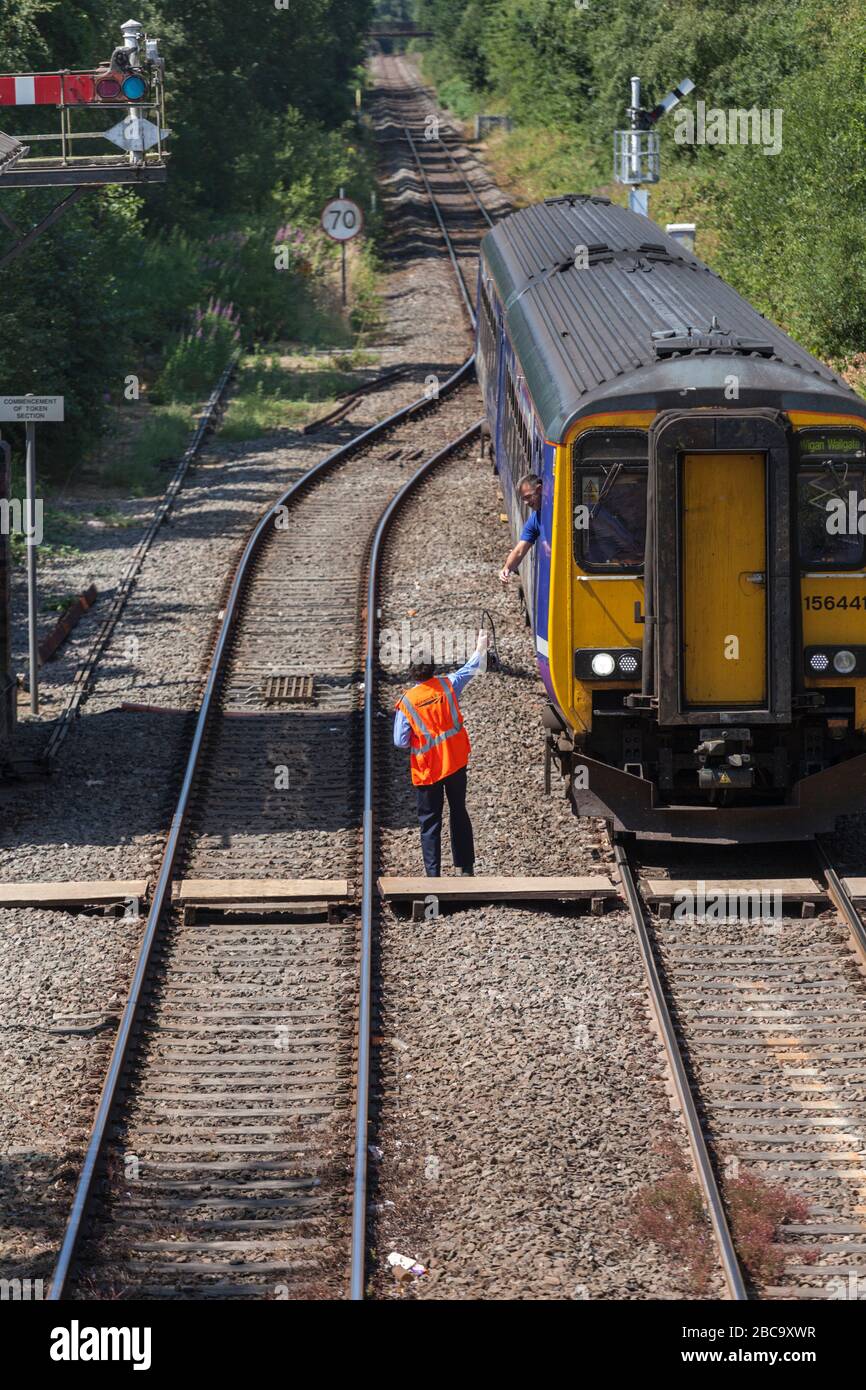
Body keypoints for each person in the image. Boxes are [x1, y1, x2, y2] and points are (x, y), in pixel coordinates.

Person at [393, 630, 488, 877]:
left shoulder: (408, 702)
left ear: (412, 674)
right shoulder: (447, 686)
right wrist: (480, 646)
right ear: (433, 670)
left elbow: (400, 741)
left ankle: (433, 875)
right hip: (455, 763)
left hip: (428, 771)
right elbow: (470, 669)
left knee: (430, 822)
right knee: (459, 812)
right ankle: (465, 869)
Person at [499, 471, 542, 584]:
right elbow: (519, 551)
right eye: (523, 499)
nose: (526, 503)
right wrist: (507, 568)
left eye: (528, 497)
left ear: (539, 489)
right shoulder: (535, 519)